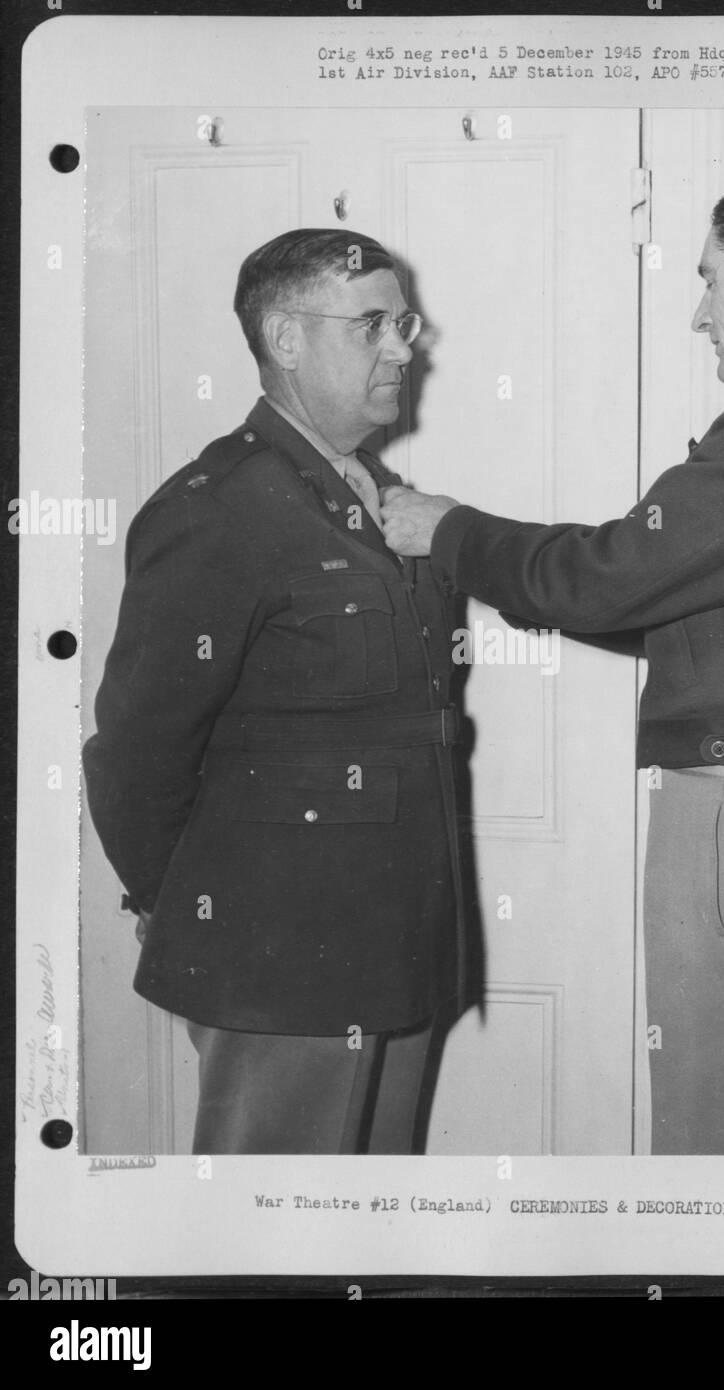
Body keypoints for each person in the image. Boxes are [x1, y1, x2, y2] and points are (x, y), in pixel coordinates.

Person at [380, 168, 724, 1155]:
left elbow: (614, 574)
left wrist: (448, 531)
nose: (698, 312)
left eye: (709, 278)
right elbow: (694, 600)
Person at [83, 229, 466, 1155]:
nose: (404, 347)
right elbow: (137, 746)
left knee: (369, 1240)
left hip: (395, 947)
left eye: (403, 321)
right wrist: (171, 903)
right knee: (272, 1249)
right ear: (286, 339)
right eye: (373, 322)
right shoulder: (218, 507)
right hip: (278, 962)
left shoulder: (376, 497)